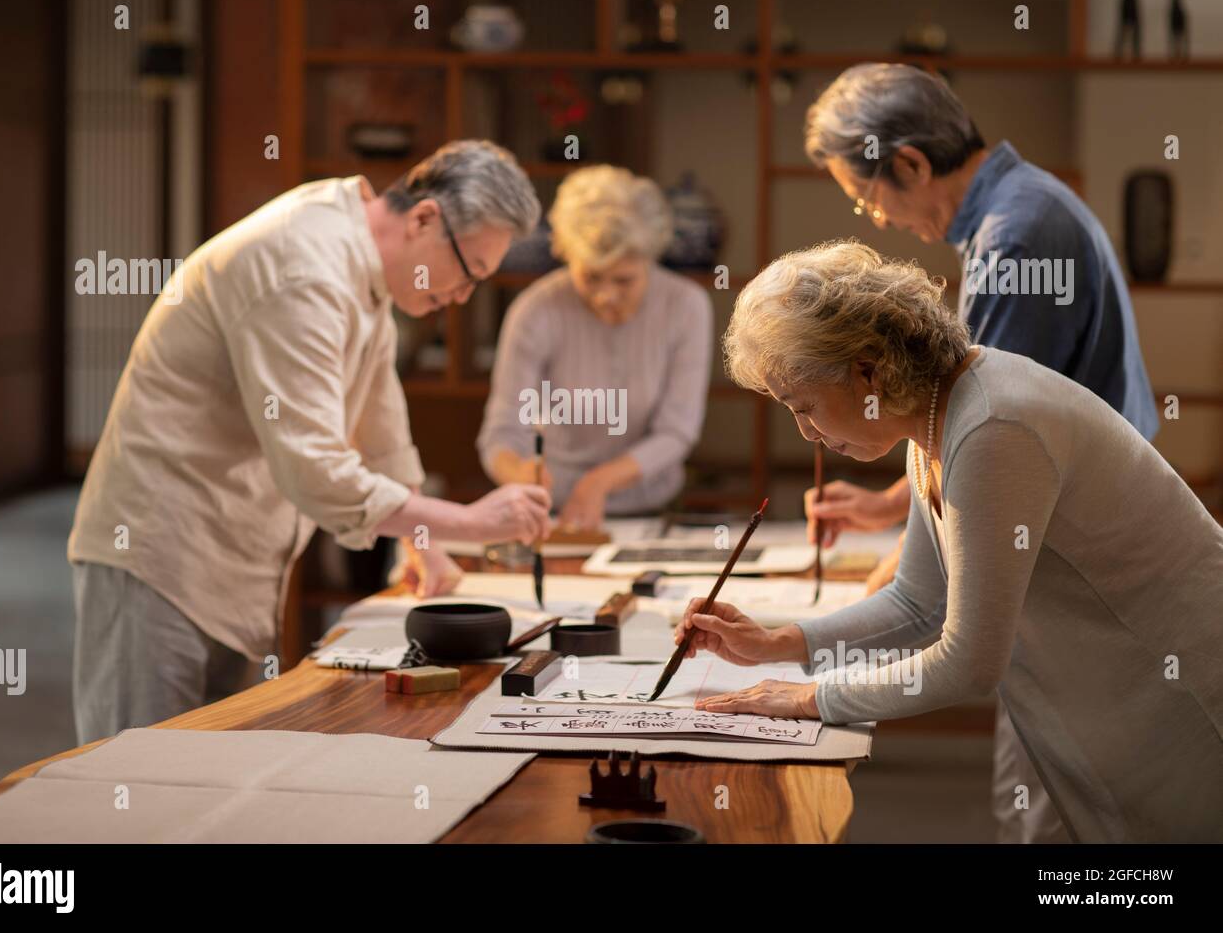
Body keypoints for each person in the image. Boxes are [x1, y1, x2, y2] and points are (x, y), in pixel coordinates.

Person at [677, 240, 1223, 843]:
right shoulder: (935, 419)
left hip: (1188, 695)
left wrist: (809, 698)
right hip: (1130, 696)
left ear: (868, 370)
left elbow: (969, 664)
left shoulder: (994, 426)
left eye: (803, 407)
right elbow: (918, 601)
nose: (805, 432)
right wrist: (775, 642)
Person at [68, 140, 552, 744]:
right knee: (131, 781)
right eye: (468, 273)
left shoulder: (359, 251)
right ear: (425, 218)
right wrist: (469, 522)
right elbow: (317, 469)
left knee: (206, 779)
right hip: (157, 549)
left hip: (234, 550)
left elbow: (381, 422)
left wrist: (425, 544)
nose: (461, 298)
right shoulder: (304, 268)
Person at [802, 63, 1159, 840]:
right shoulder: (1024, 204)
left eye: (869, 200)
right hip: (1076, 543)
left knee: (1054, 820)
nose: (881, 221)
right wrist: (895, 506)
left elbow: (981, 432)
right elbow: (968, 428)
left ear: (910, 164)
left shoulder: (1017, 233)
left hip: (1082, 567)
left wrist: (907, 566)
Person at [477, 165, 712, 531]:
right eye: (591, 277)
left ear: (650, 259)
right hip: (553, 514)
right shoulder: (535, 310)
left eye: (624, 280)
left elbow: (677, 430)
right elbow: (503, 432)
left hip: (646, 511)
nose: (606, 296)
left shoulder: (686, 306)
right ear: (565, 255)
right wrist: (519, 472)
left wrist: (599, 482)